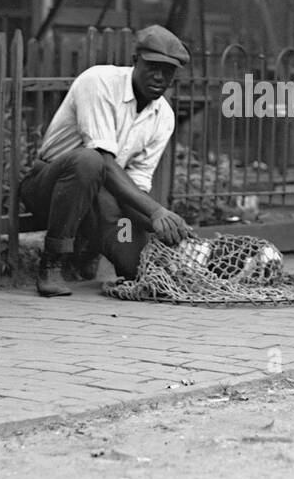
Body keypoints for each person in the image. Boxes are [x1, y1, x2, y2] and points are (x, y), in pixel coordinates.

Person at [19, 26, 191, 297]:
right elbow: (103, 161)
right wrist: (156, 210)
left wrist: (161, 225)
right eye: (152, 67)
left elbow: (136, 188)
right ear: (135, 61)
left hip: (100, 196)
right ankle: (51, 263)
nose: (159, 77)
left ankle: (94, 245)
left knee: (137, 270)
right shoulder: (98, 81)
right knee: (89, 161)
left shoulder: (164, 117)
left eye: (167, 71)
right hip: (49, 188)